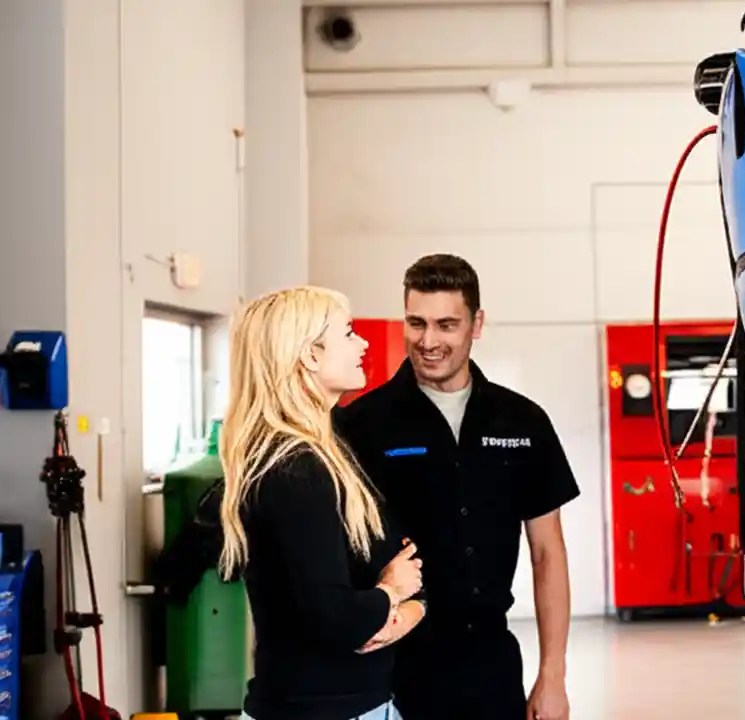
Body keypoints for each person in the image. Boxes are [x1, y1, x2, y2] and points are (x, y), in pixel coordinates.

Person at [334, 254, 580, 720]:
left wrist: (553, 674)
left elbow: (548, 552)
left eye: (446, 325)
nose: (428, 341)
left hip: (490, 666)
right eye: (416, 323)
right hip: (391, 670)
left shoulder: (522, 421)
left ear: (476, 324)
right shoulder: (361, 425)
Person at [217, 285, 427, 720]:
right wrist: (391, 592)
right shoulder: (296, 470)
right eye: (348, 333)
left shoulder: (328, 453)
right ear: (310, 355)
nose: (362, 343)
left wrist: (407, 609)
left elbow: (405, 568)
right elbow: (335, 618)